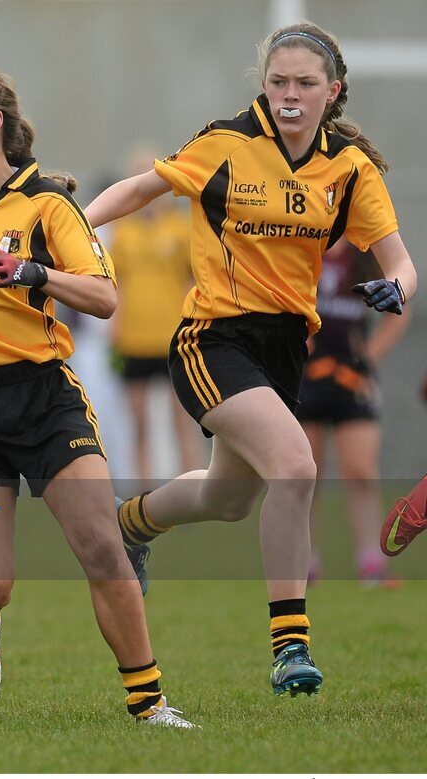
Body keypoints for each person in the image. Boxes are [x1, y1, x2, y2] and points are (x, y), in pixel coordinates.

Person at [84, 21, 417, 697]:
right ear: (263, 85)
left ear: (334, 91)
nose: (290, 94)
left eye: (305, 83)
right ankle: (291, 644)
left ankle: (130, 522)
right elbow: (141, 189)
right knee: (297, 464)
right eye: (278, 82)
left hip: (284, 349)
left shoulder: (348, 171)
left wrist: (398, 289)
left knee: (229, 497)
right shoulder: (226, 144)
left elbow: (403, 263)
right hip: (213, 338)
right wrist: (72, 230)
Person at [0, 51, 196, 728]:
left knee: (100, 546)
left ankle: (149, 703)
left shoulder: (46, 203)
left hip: (40, 397)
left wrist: (33, 272)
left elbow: (105, 295)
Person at [298, 237, 410, 586]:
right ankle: (305, 560)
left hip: (351, 377)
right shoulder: (303, 247)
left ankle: (371, 562)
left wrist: (369, 357)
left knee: (360, 471)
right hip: (305, 375)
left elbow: (399, 310)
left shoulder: (366, 257)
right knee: (304, 472)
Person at [107, 147, 203, 483]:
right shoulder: (122, 231)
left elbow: (195, 278)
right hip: (134, 337)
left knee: (184, 421)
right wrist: (114, 330)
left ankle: (192, 490)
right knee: (140, 425)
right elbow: (114, 283)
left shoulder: (180, 227)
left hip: (173, 337)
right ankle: (145, 495)